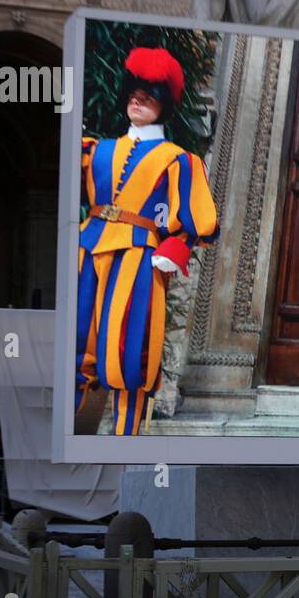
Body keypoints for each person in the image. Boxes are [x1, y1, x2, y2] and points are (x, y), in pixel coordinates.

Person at [75, 47, 219, 436]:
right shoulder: (94, 149)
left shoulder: (178, 160)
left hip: (139, 258)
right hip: (86, 251)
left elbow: (196, 219)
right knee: (75, 344)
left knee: (130, 354)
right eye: (135, 90)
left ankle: (124, 446)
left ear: (164, 103)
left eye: (150, 93)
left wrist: (172, 251)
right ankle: (73, 439)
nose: (139, 99)